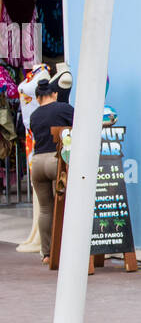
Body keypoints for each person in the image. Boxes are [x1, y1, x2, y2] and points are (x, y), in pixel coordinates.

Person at [29, 79, 74, 264]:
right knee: (63, 207)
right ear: (54, 94)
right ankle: (64, 249)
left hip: (37, 163)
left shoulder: (33, 116)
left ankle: (47, 253)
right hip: (56, 161)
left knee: (45, 209)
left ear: (38, 98)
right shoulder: (63, 108)